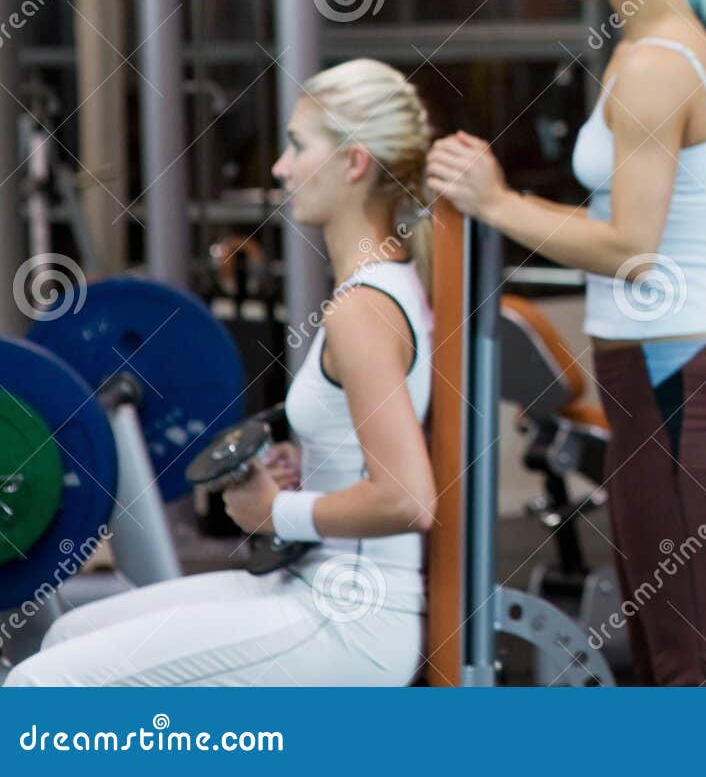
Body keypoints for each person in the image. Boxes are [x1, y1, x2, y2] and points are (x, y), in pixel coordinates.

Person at [425, 0, 706, 686]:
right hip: (654, 385)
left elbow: (628, 248)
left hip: (678, 379)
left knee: (695, 670)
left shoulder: (654, 65)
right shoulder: (645, 49)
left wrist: (496, 202)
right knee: (663, 659)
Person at [6, 59, 436, 687]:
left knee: (41, 688)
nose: (280, 167)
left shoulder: (363, 310)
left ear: (354, 162)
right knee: (66, 634)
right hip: (311, 586)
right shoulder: (374, 291)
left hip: (349, 618)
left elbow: (407, 498)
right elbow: (366, 459)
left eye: (297, 145)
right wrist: (300, 471)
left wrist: (277, 511)